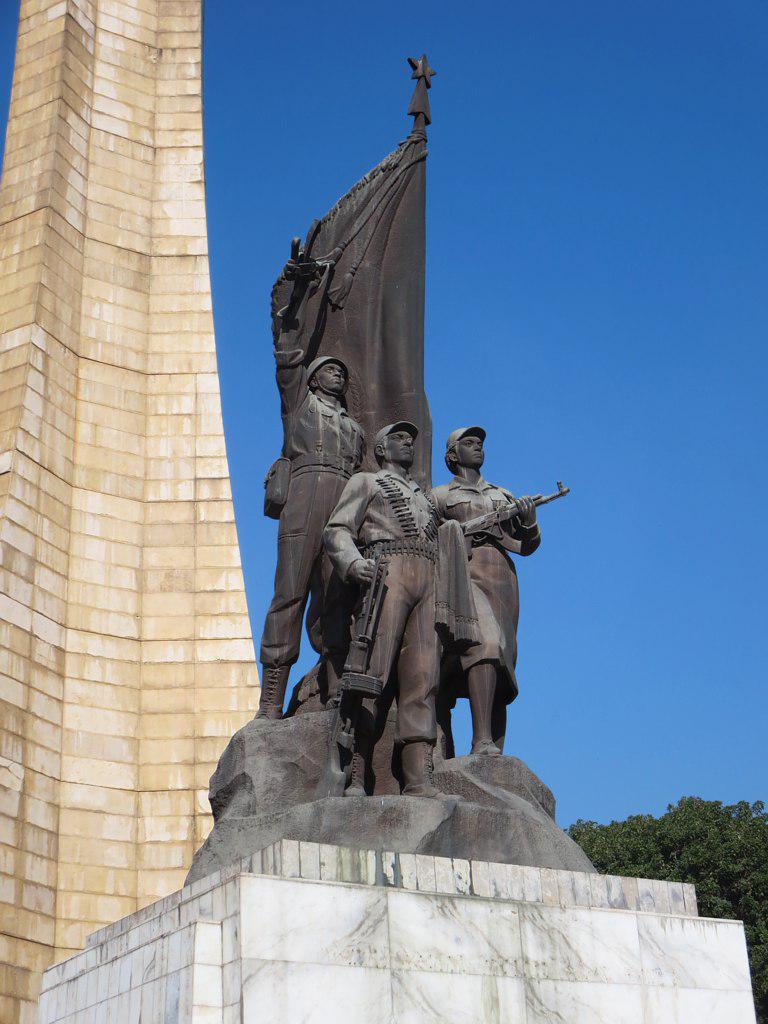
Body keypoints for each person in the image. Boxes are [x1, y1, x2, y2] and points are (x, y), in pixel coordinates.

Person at [256, 257, 365, 719]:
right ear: (314, 376)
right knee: (290, 592)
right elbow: (287, 350)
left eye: (343, 371)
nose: (338, 373)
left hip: (343, 502)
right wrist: (295, 296)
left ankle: (334, 689)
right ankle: (269, 701)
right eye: (330, 369)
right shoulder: (299, 403)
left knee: (336, 596)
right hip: (305, 492)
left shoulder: (357, 429)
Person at [323, 421, 440, 795]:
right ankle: (356, 774)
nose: (408, 442)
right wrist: (354, 563)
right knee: (371, 674)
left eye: (411, 438)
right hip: (387, 571)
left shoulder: (425, 497)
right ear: (381, 448)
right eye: (399, 438)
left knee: (422, 679)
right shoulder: (367, 482)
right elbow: (336, 530)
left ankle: (418, 779)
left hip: (427, 576)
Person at [431, 427, 540, 755]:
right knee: (487, 644)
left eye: (480, 443)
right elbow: (427, 539)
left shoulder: (503, 494)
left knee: (503, 657)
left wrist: (531, 523)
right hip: (464, 576)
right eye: (469, 443)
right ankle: (481, 741)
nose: (477, 447)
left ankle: (491, 751)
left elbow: (528, 545)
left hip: (503, 580)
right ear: (453, 455)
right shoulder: (439, 496)